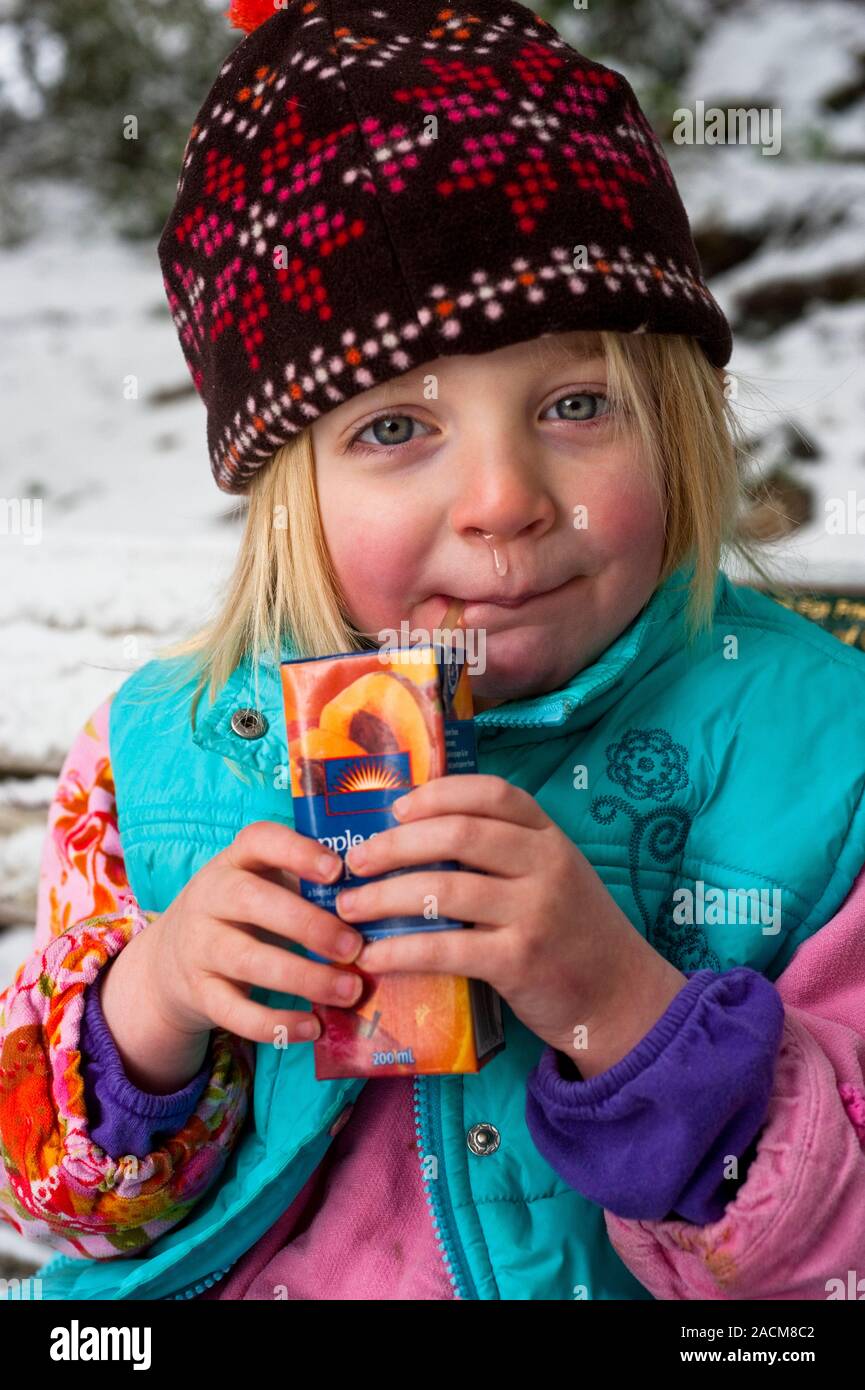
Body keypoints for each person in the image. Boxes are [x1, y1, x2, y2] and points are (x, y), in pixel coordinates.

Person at [3, 0, 865, 1302]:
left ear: (680, 423)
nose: (502, 499)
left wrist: (620, 1012)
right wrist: (159, 1001)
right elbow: (54, 1200)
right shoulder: (162, 756)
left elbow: (835, 1252)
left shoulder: (824, 759)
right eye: (395, 427)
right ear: (286, 486)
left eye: (576, 404)